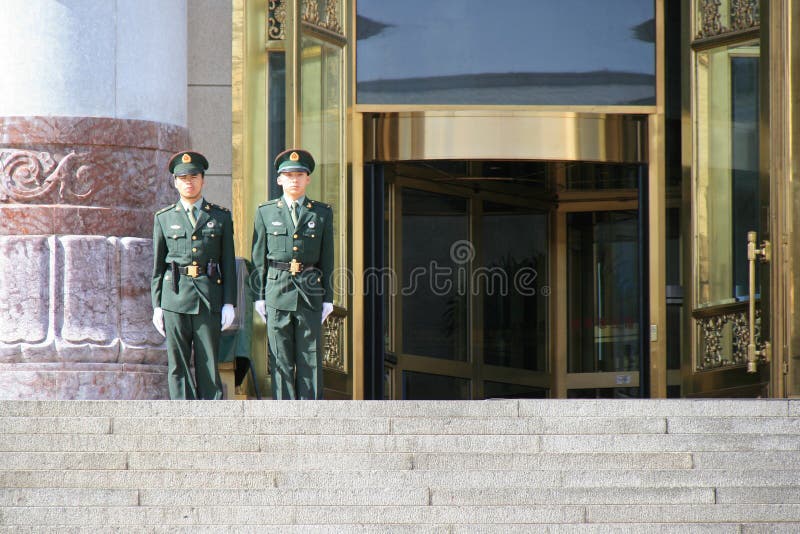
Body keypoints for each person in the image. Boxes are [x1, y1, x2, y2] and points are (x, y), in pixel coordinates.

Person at [151, 151, 236, 400]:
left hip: (208, 297)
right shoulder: (164, 218)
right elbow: (157, 266)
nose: (189, 182)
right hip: (175, 296)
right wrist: (157, 305)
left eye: (194, 176)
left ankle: (211, 415)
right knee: (177, 362)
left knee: (208, 360)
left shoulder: (220, 216)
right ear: (175, 182)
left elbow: (227, 263)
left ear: (203, 180)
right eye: (183, 178)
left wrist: (229, 302)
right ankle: (182, 415)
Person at [251, 148, 334, 399]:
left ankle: (310, 410)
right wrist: (259, 296)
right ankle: (283, 410)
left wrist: (328, 298)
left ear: (308, 179)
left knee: (310, 354)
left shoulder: (321, 213)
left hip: (310, 290)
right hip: (277, 288)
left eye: (299, 174)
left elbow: (328, 258)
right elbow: (258, 257)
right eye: (288, 175)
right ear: (279, 179)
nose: (294, 180)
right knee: (280, 355)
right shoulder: (265, 211)